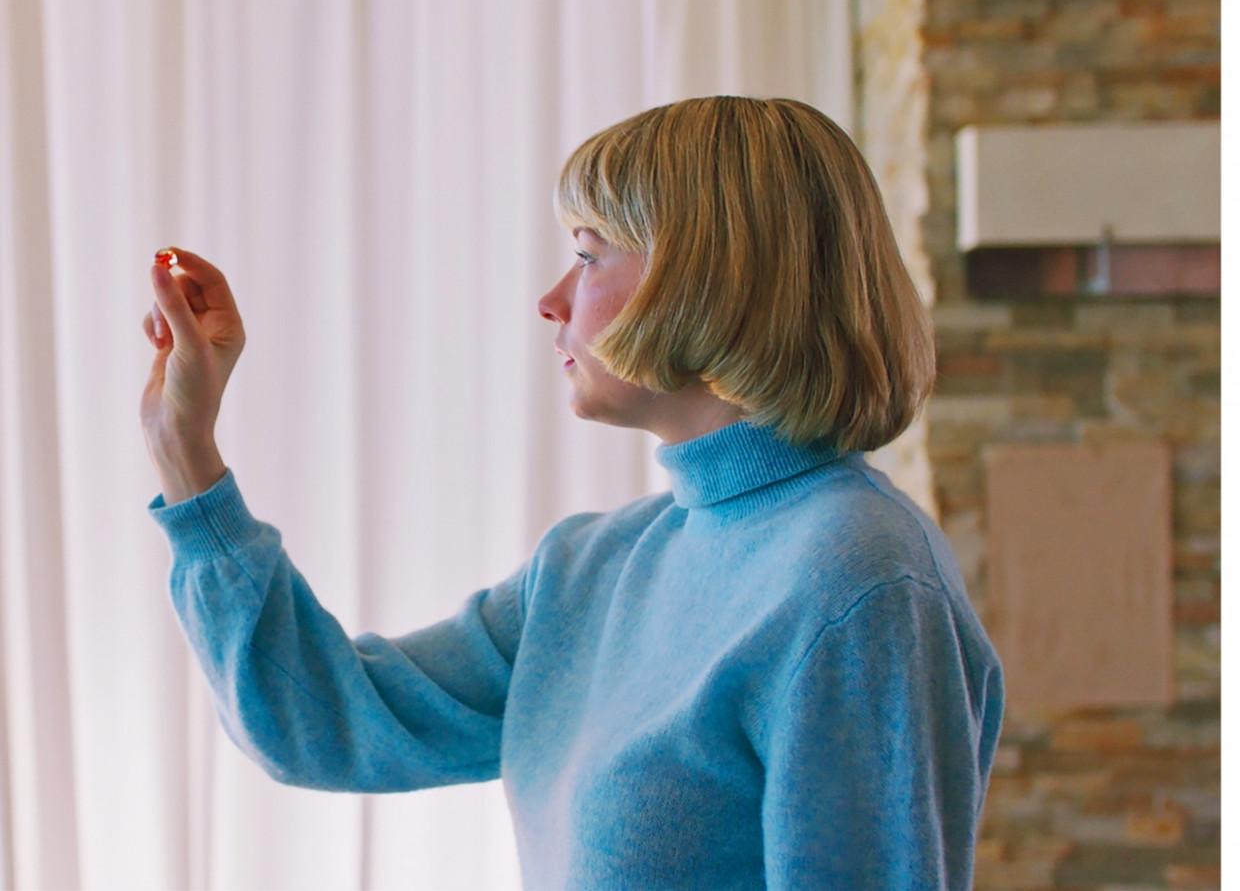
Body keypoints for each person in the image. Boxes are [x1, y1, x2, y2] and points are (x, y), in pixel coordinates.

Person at [142, 96, 1003, 890]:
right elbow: (319, 720)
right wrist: (186, 453)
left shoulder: (861, 580)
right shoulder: (588, 569)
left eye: (588, 256)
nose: (550, 300)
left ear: (713, 279)